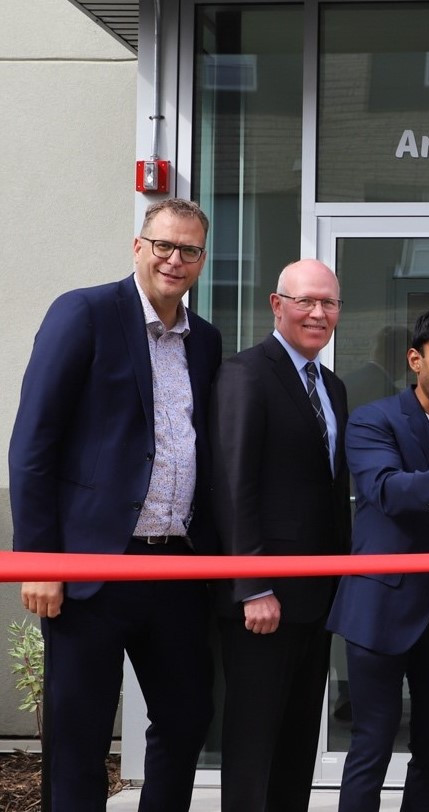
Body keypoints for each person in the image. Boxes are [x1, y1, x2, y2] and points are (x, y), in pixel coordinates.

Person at [8, 198, 222, 811]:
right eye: (164, 246)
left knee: (186, 719)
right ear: (138, 246)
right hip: (90, 568)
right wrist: (40, 560)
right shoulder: (85, 313)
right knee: (78, 737)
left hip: (178, 569)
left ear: (202, 260)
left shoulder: (203, 340)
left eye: (189, 250)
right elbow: (33, 443)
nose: (174, 260)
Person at [327, 308, 429, 811]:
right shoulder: (372, 420)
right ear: (415, 359)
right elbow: (385, 492)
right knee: (371, 746)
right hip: (383, 607)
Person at [210, 259, 351, 811]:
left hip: (316, 598)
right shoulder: (247, 373)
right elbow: (233, 482)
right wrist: (252, 584)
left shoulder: (332, 386)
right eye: (305, 301)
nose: (318, 313)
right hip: (262, 602)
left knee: (297, 742)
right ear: (277, 305)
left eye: (330, 303)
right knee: (253, 744)